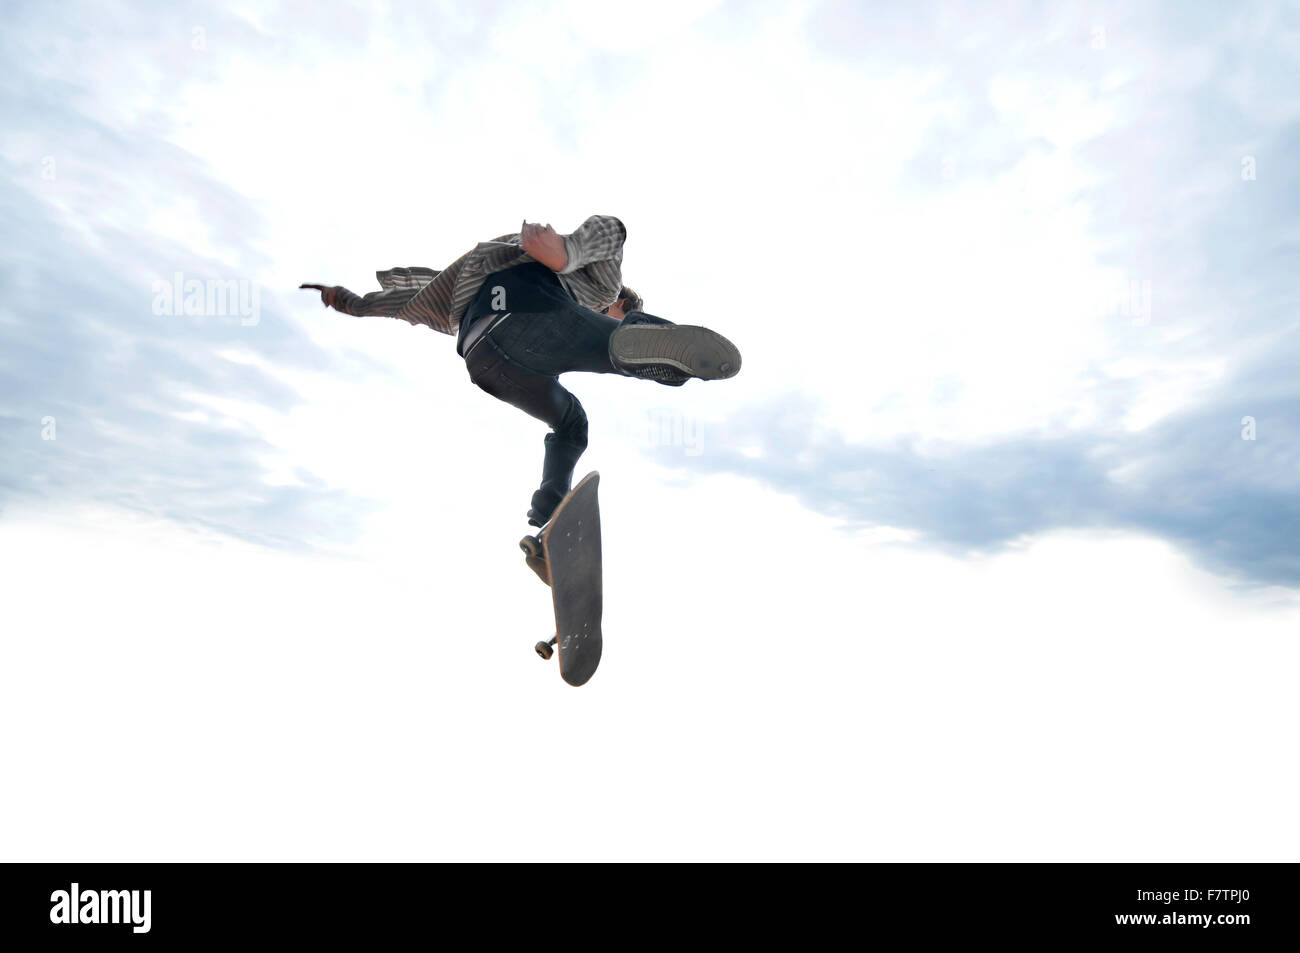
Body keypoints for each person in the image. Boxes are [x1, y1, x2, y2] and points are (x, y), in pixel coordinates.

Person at [301, 215, 740, 527]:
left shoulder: (471, 279)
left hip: (485, 357)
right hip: (531, 315)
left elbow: (410, 301)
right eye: (617, 312)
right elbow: (612, 229)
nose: (609, 311)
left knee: (572, 424)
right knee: (616, 342)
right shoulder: (599, 285)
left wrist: (349, 302)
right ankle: (636, 346)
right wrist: (566, 252)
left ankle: (549, 516)